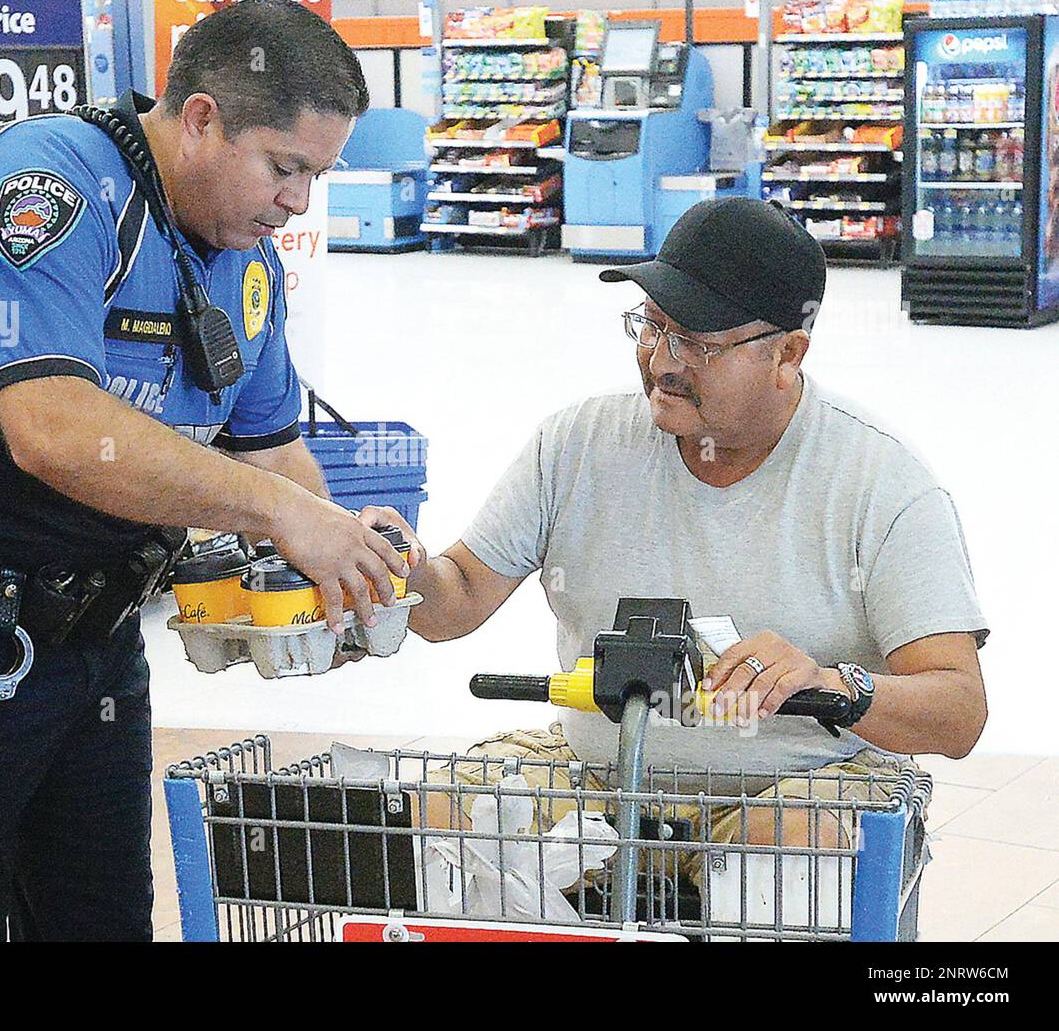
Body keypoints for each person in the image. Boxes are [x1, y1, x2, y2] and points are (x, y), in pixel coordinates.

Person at [0, 0, 417, 941]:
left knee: (101, 919)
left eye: (318, 175)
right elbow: (51, 426)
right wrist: (277, 514)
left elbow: (268, 448)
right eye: (286, 167)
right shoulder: (45, 187)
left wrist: (340, 550)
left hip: (96, 651)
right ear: (203, 119)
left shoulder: (243, 262)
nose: (299, 202)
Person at [406, 198, 988, 880]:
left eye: (697, 343)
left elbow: (959, 709)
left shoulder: (880, 481)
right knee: (449, 811)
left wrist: (835, 684)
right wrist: (404, 567)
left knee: (788, 843)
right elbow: (457, 597)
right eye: (651, 327)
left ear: (787, 353)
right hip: (603, 775)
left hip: (799, 786)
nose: (661, 362)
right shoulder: (575, 445)